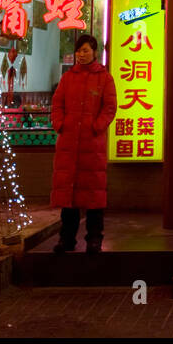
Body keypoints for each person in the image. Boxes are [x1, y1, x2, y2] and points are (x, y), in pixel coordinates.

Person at [50, 34, 118, 253]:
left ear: (95, 52)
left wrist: (96, 127)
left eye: (86, 50)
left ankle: (94, 239)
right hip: (69, 144)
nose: (81, 54)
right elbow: (57, 104)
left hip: (92, 145)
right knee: (68, 196)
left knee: (93, 195)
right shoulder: (68, 78)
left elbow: (110, 108)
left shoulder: (104, 78)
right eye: (79, 51)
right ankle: (66, 239)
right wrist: (60, 124)